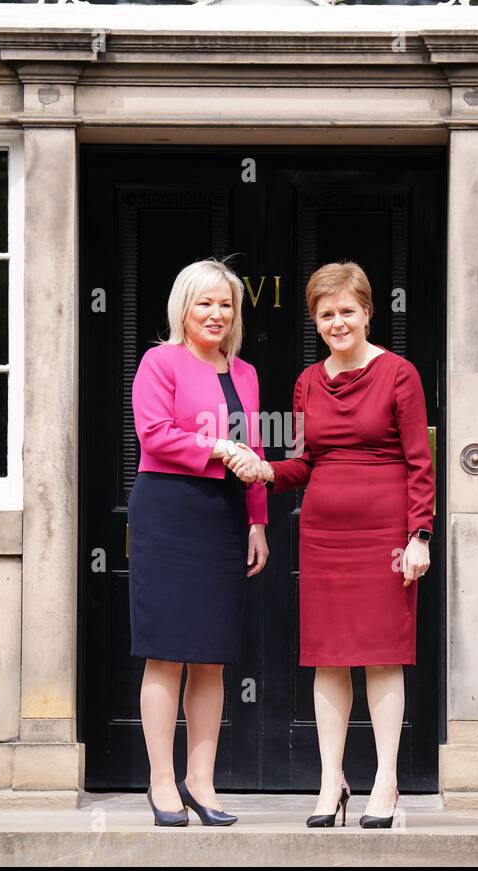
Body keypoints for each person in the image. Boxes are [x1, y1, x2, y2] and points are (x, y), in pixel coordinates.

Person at [245, 260, 433, 829]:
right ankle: (332, 781)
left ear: (368, 312)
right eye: (326, 314)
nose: (337, 322)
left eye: (347, 311)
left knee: (381, 655)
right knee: (326, 660)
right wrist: (260, 470)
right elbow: (305, 463)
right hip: (323, 535)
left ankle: (386, 781)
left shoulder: (400, 374)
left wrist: (419, 535)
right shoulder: (306, 382)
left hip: (386, 536)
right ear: (316, 320)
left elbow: (419, 463)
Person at [128, 258, 269, 827]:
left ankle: (201, 781)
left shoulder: (247, 373)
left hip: (224, 518)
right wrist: (219, 449)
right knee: (165, 653)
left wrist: (257, 521)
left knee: (211, 658)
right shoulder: (159, 361)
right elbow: (155, 434)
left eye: (226, 304)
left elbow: (252, 448)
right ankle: (162, 782)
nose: (216, 314)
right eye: (204, 302)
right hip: (168, 511)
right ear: (183, 307)